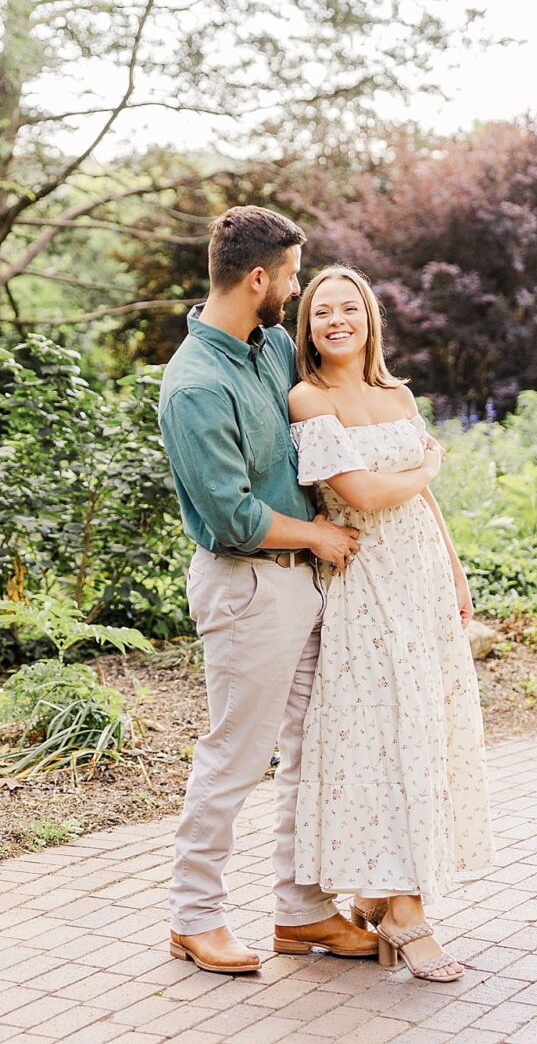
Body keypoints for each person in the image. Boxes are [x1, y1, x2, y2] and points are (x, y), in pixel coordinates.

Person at [158, 208, 377, 975]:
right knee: (236, 757)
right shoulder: (195, 383)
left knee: (312, 752)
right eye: (290, 276)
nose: (296, 288)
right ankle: (194, 918)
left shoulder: (272, 346)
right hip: (248, 587)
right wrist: (317, 535)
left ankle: (301, 912)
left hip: (308, 586)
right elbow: (230, 515)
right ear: (259, 279)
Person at [289, 264, 496, 983]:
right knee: (384, 735)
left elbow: (420, 506)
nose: (336, 320)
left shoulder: (395, 392)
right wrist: (429, 468)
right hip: (367, 585)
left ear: (370, 318)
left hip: (424, 583)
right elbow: (364, 493)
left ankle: (384, 894)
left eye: (349, 308)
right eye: (322, 312)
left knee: (427, 732)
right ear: (308, 327)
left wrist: (455, 567)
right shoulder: (308, 396)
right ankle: (403, 911)